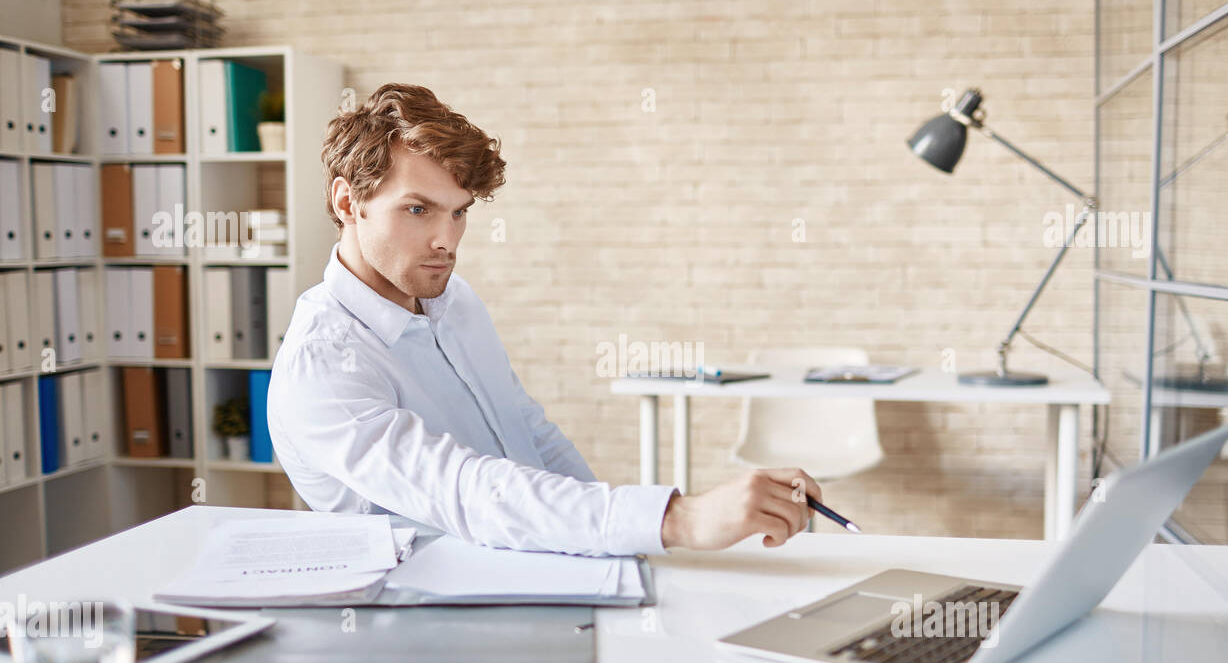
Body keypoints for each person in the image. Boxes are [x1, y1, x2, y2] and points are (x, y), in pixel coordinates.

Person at [267, 83, 822, 557]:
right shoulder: (323, 362)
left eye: (459, 212)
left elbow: (528, 434)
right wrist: (679, 519)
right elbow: (464, 488)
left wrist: (621, 545)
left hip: (542, 572)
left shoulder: (454, 302)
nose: (447, 239)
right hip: (429, 625)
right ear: (347, 203)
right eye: (418, 210)